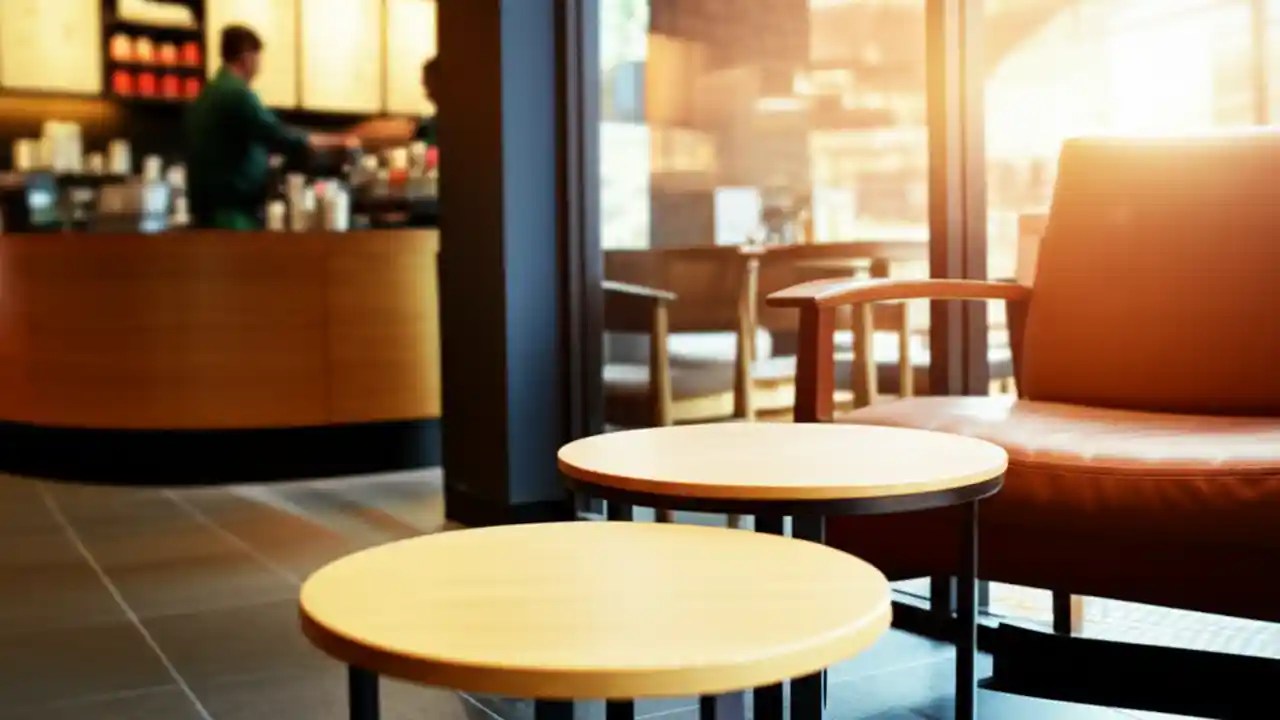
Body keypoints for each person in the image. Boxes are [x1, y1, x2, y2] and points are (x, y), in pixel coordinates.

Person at [185, 25, 352, 229]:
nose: (259, 67)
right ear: (247, 57)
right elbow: (277, 134)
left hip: (210, 210)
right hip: (230, 216)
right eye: (258, 58)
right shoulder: (236, 94)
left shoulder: (210, 92)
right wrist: (339, 140)